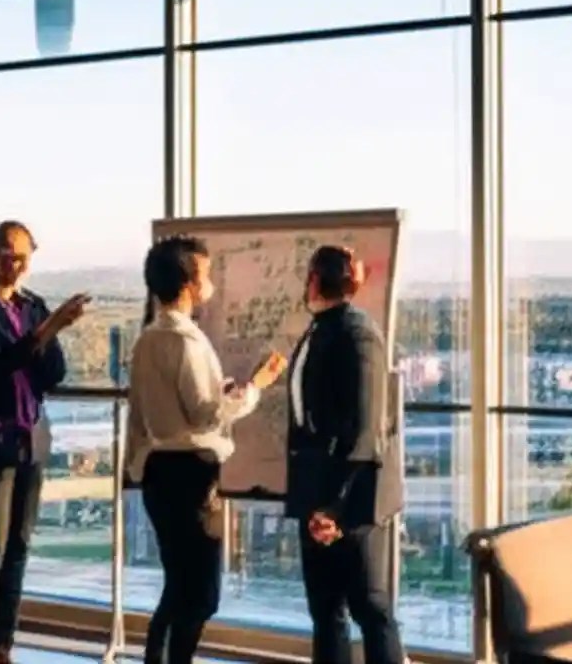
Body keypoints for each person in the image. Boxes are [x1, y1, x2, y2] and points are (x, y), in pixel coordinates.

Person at [125, 235, 287, 664]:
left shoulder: (147, 340)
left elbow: (149, 411)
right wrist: (255, 388)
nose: (211, 282)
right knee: (199, 593)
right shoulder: (185, 341)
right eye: (205, 274)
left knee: (178, 584)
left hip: (160, 469)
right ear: (187, 283)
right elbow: (205, 413)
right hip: (192, 474)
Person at [0, 221, 89, 664]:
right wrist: (46, 331)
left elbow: (53, 372)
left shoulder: (32, 307)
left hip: (31, 436)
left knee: (21, 545)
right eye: (7, 254)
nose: (15, 263)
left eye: (23, 256)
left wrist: (46, 334)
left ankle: (2, 646)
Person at [285, 245, 405, 664]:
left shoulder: (357, 333)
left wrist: (334, 506)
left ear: (315, 280)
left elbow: (364, 428)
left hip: (351, 498)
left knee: (369, 608)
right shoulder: (324, 328)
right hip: (318, 493)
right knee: (326, 610)